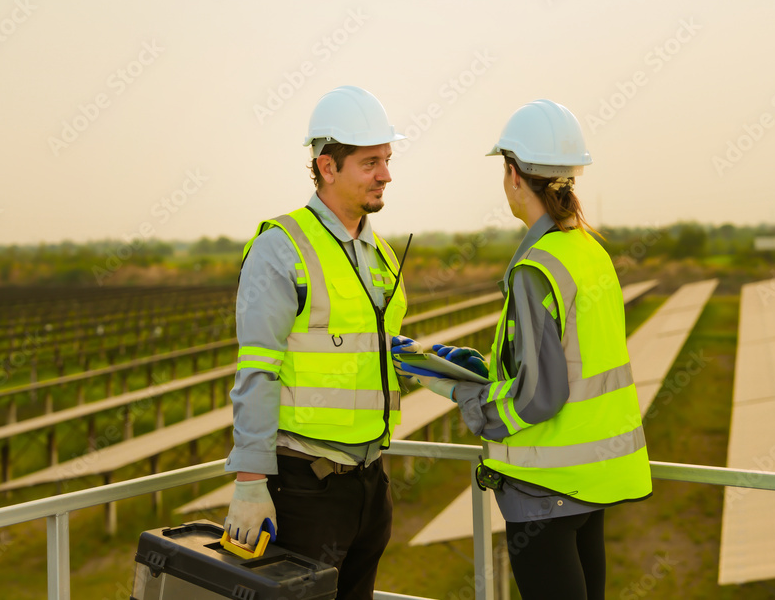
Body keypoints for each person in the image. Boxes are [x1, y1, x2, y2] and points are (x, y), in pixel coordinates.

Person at [394, 99, 652, 600]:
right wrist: (478, 367)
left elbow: (540, 397)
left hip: (544, 489)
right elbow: (571, 362)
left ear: (513, 174)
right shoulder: (587, 251)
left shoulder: (537, 267)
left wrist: (472, 402)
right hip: (591, 485)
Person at [224, 85, 409, 600]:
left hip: (371, 481)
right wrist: (249, 483)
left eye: (388, 160)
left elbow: (376, 351)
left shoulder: (381, 254)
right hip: (306, 486)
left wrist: (436, 366)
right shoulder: (280, 248)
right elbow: (257, 371)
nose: (386, 174)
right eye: (371, 162)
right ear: (328, 167)